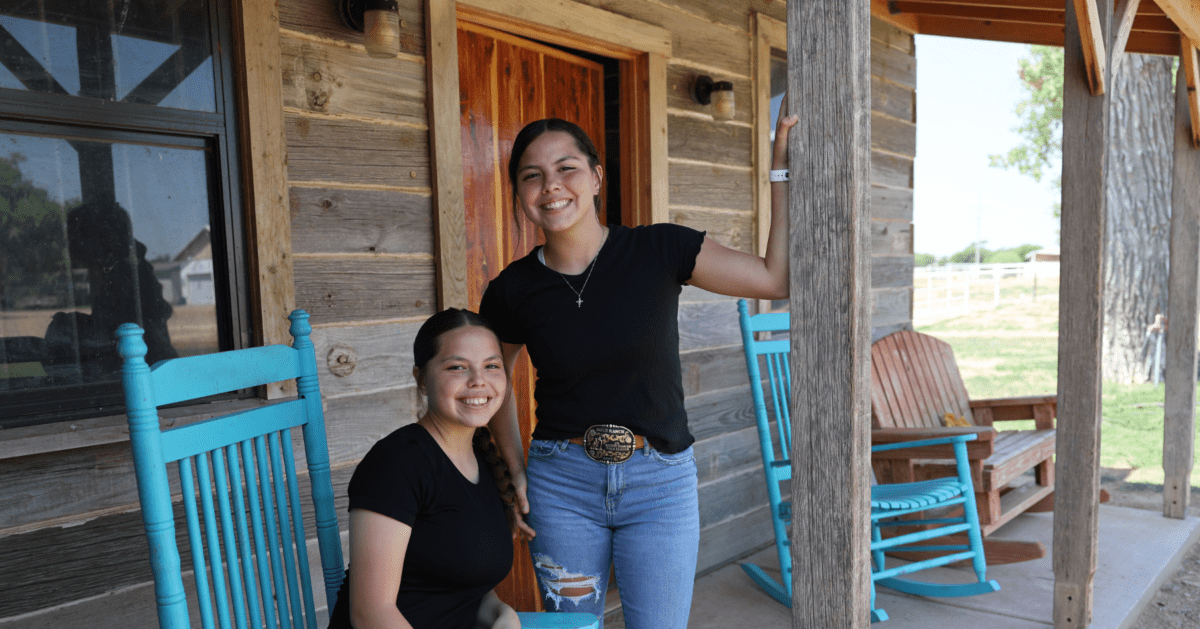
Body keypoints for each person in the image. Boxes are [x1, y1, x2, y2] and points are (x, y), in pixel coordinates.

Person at [479, 105, 797, 629]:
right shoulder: (512, 290)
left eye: (566, 168)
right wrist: (514, 470)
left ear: (597, 176)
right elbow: (494, 384)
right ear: (519, 191)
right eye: (531, 176)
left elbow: (773, 278)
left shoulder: (660, 248)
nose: (550, 186)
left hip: (660, 484)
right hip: (561, 487)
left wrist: (778, 166)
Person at [327, 308, 522, 629]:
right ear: (421, 379)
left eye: (491, 366)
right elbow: (371, 614)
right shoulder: (396, 464)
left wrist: (502, 613)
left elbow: (457, 587)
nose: (478, 380)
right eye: (457, 367)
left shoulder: (483, 457)